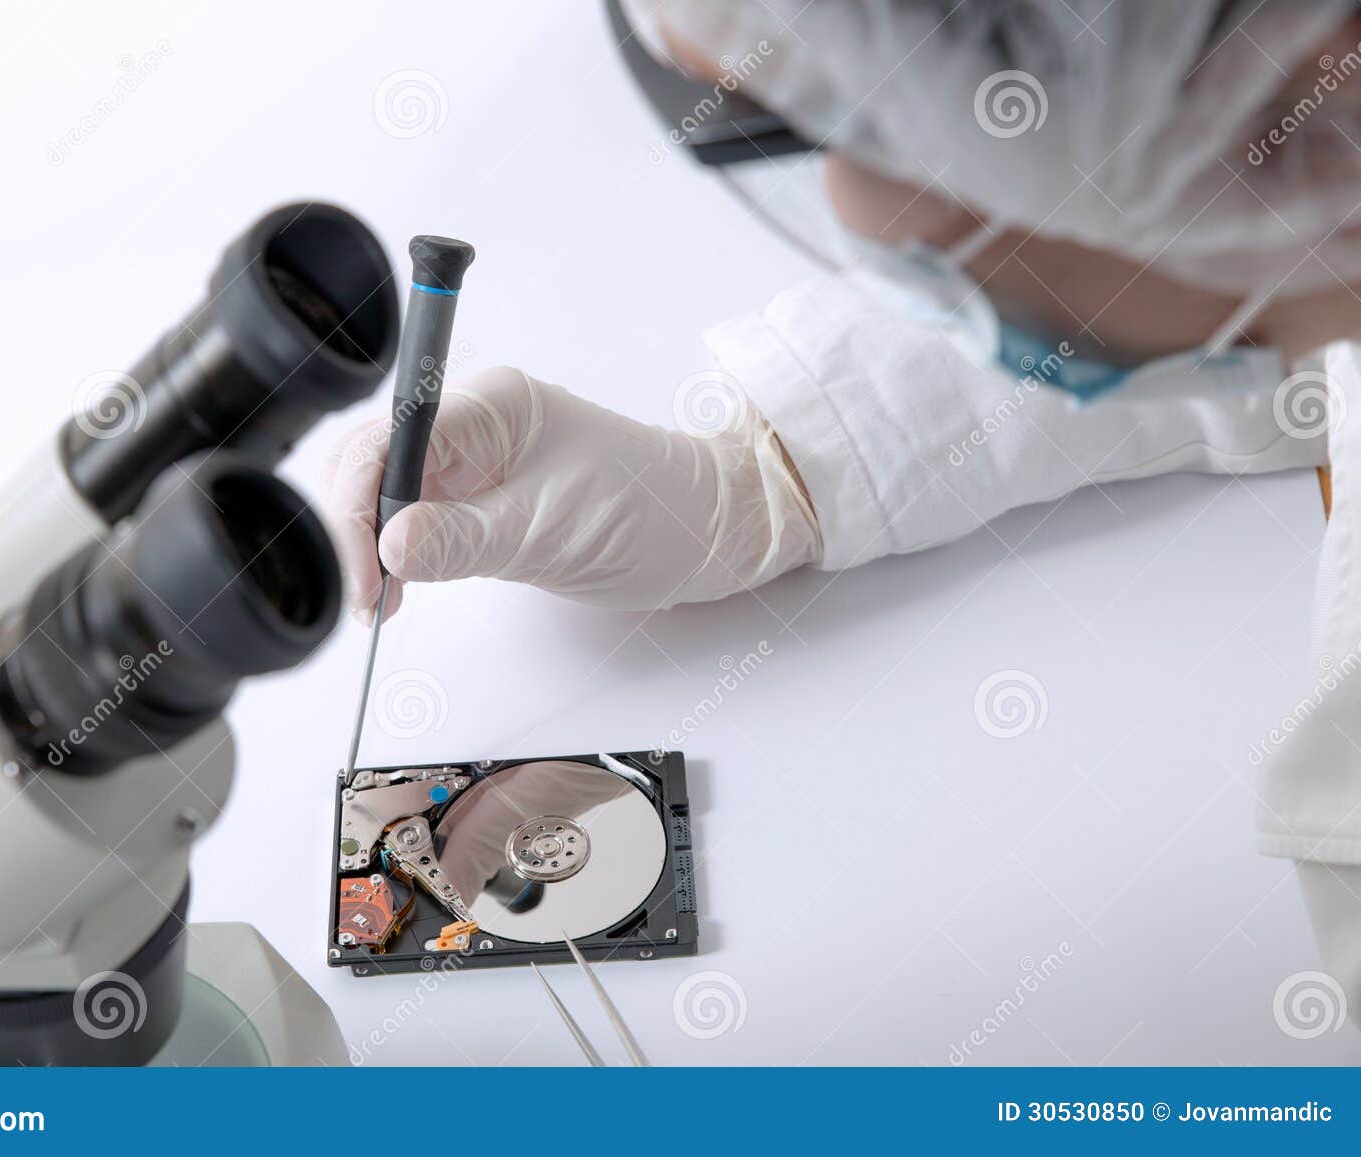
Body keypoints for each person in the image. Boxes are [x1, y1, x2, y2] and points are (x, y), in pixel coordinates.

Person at [324, 0, 1361, 1031]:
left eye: (860, 124)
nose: (847, 199)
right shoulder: (1297, 177)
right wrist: (771, 470)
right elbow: (1251, 273)